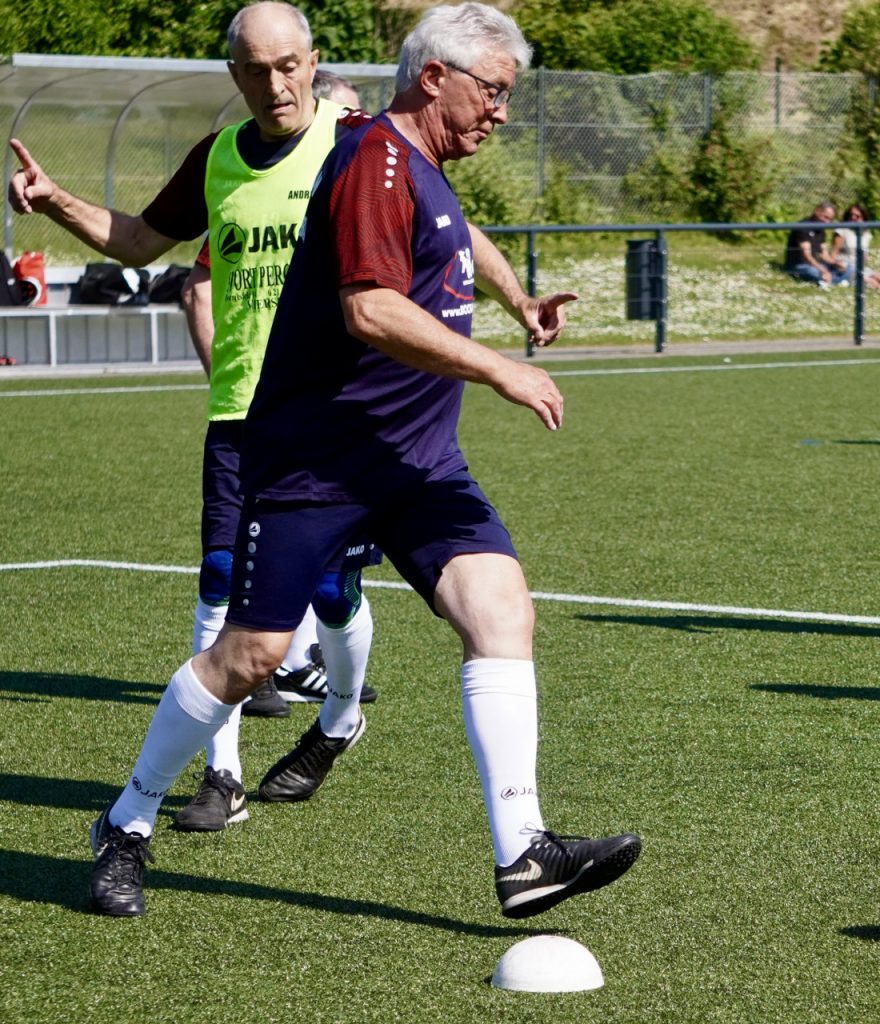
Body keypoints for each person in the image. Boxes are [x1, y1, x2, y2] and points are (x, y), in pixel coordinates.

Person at [69, 1, 641, 919]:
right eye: (491, 92)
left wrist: (518, 305)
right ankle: (127, 821)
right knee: (250, 656)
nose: (500, 112)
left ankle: (523, 850)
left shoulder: (425, 171)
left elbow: (445, 270)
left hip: (416, 466)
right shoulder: (373, 159)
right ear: (433, 77)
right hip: (315, 465)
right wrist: (502, 367)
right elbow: (368, 308)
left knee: (501, 612)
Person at [9, 2, 384, 834]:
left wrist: (513, 300)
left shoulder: (358, 144)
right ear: (235, 75)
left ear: (313, 61)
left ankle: (341, 716)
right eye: (257, 69)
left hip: (334, 415)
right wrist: (56, 200)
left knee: (330, 589)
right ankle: (224, 777)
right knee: (221, 584)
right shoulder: (216, 159)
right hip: (241, 415)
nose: (276, 83)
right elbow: (140, 240)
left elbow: (447, 228)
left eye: (290, 65)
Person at [826, 203, 880, 295]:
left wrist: (862, 264)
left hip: (859, 267)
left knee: (878, 276)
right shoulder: (842, 231)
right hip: (845, 268)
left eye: (857, 216)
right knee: (869, 280)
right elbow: (833, 254)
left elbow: (864, 255)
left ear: (863, 218)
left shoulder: (866, 234)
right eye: (851, 215)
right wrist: (837, 265)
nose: (853, 218)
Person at [784, 201, 851, 287]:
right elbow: (807, 256)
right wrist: (823, 270)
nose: (827, 222)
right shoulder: (803, 227)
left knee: (848, 267)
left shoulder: (821, 230)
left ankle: (829, 280)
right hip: (800, 265)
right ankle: (836, 280)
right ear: (817, 211)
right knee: (813, 271)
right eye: (826, 217)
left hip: (816, 264)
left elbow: (824, 255)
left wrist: (836, 263)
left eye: (830, 220)